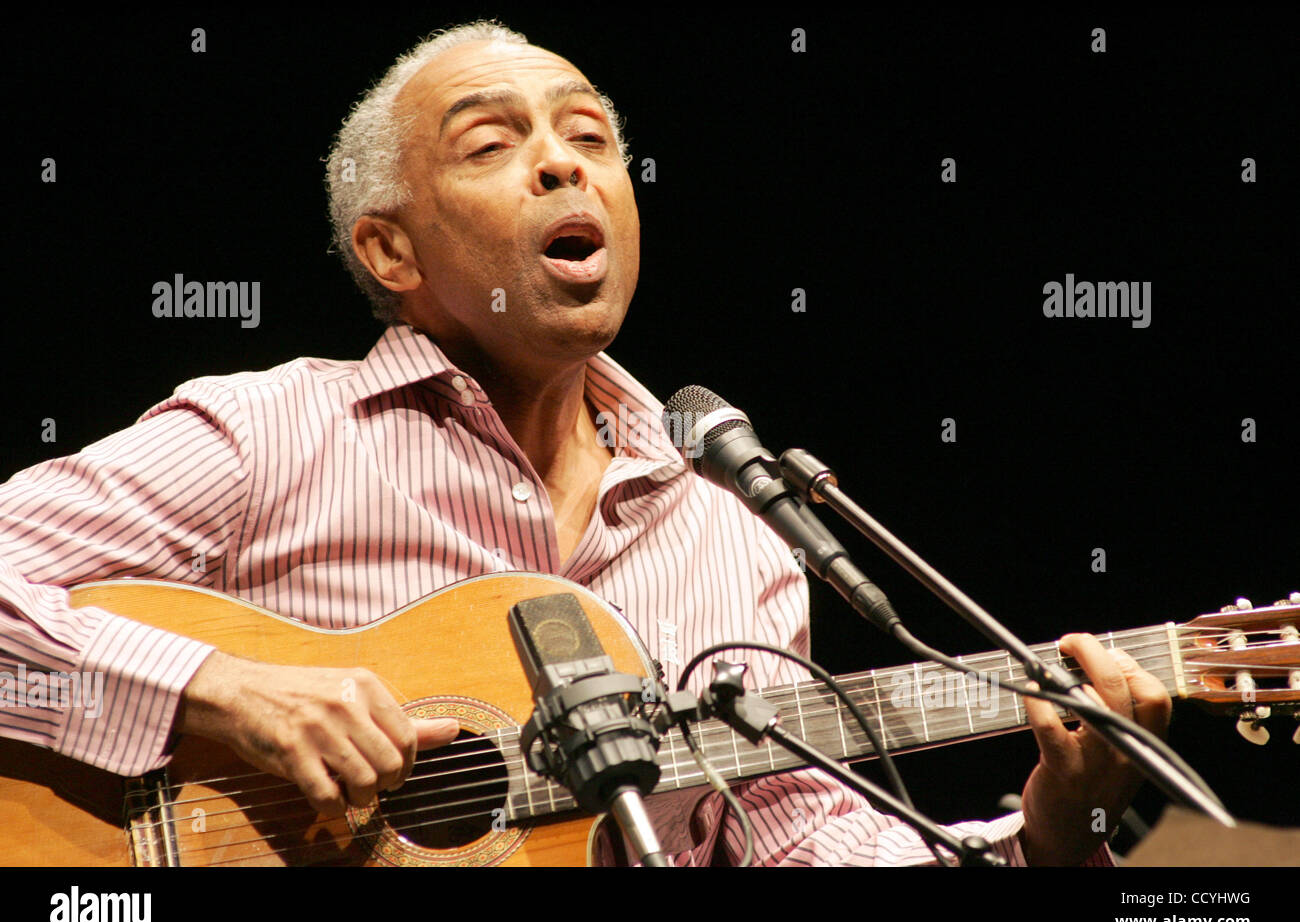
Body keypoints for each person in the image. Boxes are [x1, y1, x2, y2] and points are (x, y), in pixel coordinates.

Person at [0, 20, 1169, 866]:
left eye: (591, 136)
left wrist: (1056, 834)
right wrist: (221, 688)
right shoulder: (275, 433)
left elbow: (802, 844)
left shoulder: (728, 523)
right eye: (490, 143)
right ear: (390, 253)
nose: (565, 162)